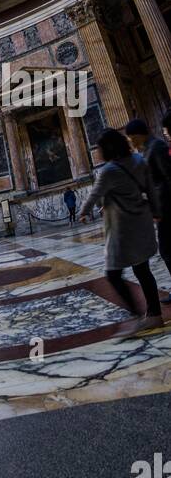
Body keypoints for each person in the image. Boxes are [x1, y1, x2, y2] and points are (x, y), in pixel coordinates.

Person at [80, 128, 163, 332]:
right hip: (141, 221)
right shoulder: (138, 160)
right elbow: (150, 188)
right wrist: (156, 210)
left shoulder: (109, 170)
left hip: (122, 228)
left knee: (113, 274)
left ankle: (136, 314)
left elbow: (94, 194)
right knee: (142, 269)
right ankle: (154, 315)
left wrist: (83, 212)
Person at [126, 116, 171, 303]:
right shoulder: (148, 150)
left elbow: (168, 179)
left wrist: (161, 209)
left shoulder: (156, 148)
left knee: (167, 250)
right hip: (162, 210)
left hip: (168, 209)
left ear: (137, 135)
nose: (130, 142)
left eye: (130, 138)